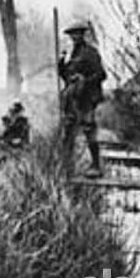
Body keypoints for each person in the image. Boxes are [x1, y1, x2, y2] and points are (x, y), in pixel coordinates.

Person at [58, 20, 106, 176]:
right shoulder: (72, 54)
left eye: (77, 33)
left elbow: (101, 74)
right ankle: (67, 167)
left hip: (86, 99)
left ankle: (96, 166)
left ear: (82, 34)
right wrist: (61, 64)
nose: (74, 37)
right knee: (68, 132)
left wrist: (85, 81)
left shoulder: (91, 52)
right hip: (72, 98)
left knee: (89, 130)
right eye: (72, 34)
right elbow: (66, 77)